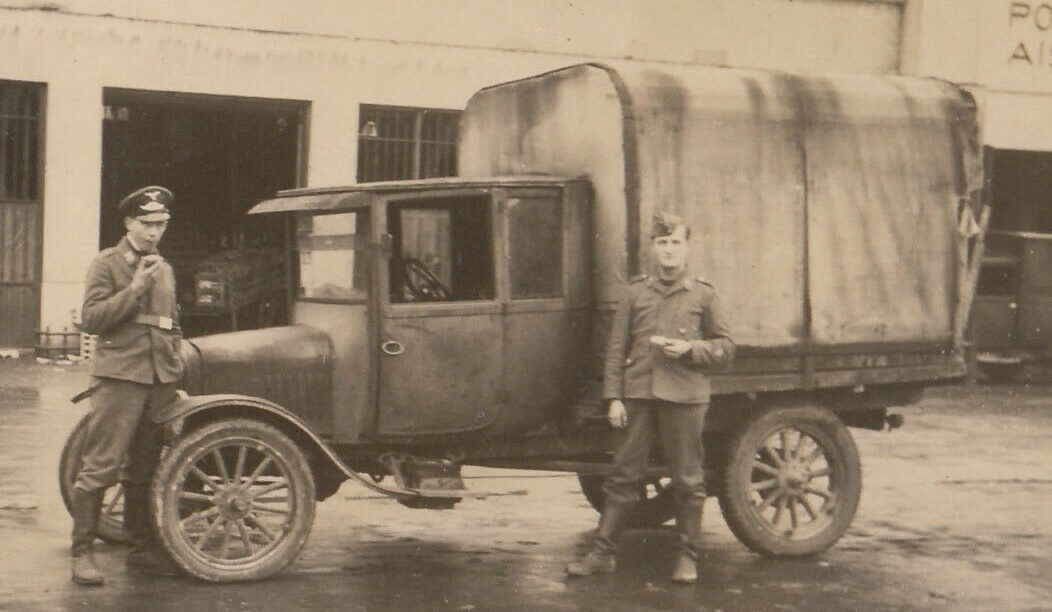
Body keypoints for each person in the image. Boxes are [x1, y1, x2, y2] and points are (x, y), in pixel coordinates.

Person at [566, 211, 735, 584]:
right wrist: (614, 397)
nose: (669, 250)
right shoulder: (635, 292)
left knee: (688, 480)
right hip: (638, 395)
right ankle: (602, 554)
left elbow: (725, 348)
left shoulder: (704, 294)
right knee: (623, 476)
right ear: (652, 249)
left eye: (675, 242)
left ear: (687, 247)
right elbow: (615, 349)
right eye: (662, 243)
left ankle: (688, 557)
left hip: (685, 397)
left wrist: (690, 349)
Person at [69, 186, 184, 586]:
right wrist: (134, 290)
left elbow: (172, 323)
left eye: (161, 224)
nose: (154, 232)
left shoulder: (164, 267)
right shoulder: (107, 264)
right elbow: (92, 319)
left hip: (159, 378)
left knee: (145, 468)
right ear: (129, 223)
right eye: (147, 224)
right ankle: (82, 553)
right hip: (120, 376)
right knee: (100, 466)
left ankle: (141, 551)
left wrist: (174, 367)